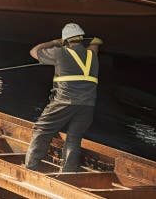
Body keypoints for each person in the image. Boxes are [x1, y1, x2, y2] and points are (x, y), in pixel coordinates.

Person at [24, 22, 103, 172]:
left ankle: (30, 167)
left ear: (65, 41)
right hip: (87, 106)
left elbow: (34, 51)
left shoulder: (60, 52)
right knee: (74, 137)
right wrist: (95, 41)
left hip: (64, 102)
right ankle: (68, 172)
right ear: (81, 39)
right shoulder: (93, 56)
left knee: (42, 129)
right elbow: (94, 45)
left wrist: (55, 42)